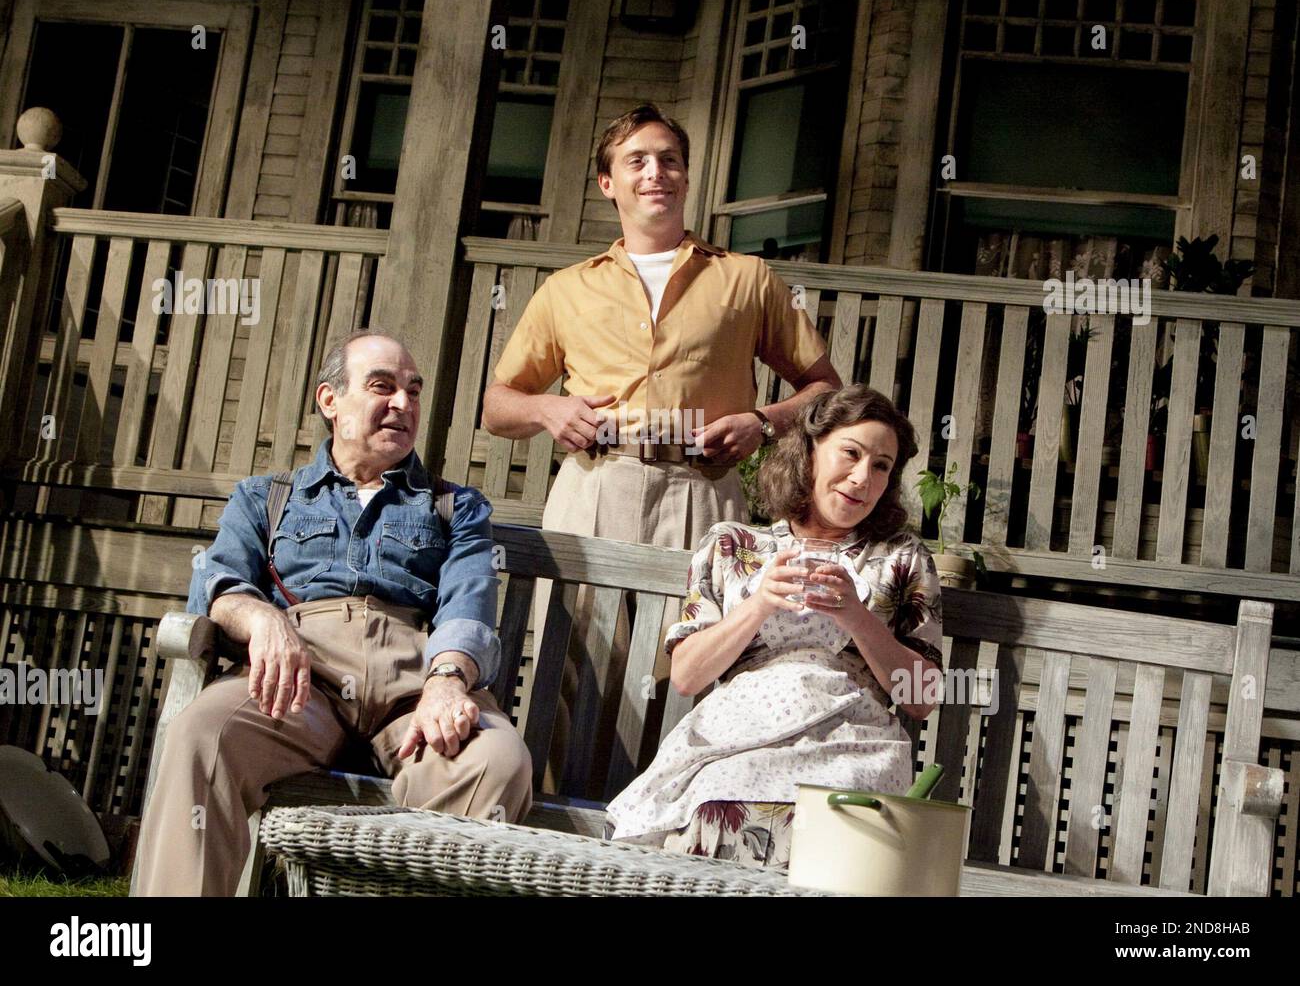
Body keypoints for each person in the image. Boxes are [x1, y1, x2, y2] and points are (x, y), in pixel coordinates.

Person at [481, 103, 841, 790]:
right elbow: (499, 405)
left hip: (701, 490)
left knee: (685, 665)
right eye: (636, 161)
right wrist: (548, 406)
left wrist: (763, 422)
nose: (656, 172)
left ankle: (663, 834)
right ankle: (562, 835)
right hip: (596, 485)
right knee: (574, 657)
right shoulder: (567, 289)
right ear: (607, 183)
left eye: (669, 159)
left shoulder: (746, 279)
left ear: (686, 176)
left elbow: (824, 390)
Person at [133, 330, 532, 896]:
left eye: (413, 391)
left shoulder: (454, 506)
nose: (403, 404)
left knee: (496, 759)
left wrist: (447, 681)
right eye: (382, 387)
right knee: (202, 734)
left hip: (414, 686)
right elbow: (218, 585)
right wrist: (262, 620)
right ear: (330, 401)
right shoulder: (267, 496)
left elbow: (468, 602)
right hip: (298, 683)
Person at [604, 384, 944, 868]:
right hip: (738, 737)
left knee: (826, 818)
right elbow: (686, 676)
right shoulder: (733, 546)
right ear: (809, 452)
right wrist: (760, 602)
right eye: (850, 453)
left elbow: (923, 697)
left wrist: (858, 618)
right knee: (718, 805)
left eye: (881, 466)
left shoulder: (901, 557)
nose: (861, 477)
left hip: (851, 742)